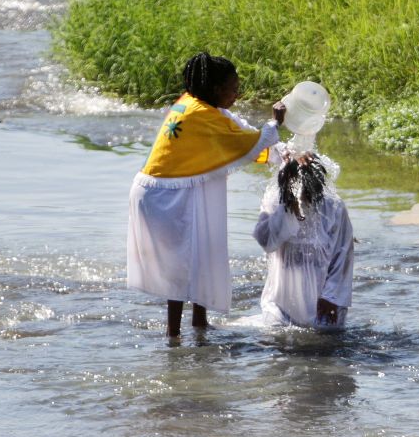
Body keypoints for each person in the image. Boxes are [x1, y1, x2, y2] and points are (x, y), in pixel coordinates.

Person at [127, 52, 286, 337]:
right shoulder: (198, 113)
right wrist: (274, 125)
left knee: (202, 251)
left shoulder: (195, 104)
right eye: (233, 88)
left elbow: (239, 133)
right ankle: (173, 336)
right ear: (215, 89)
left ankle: (199, 322)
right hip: (165, 195)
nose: (237, 94)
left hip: (171, 188)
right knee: (179, 265)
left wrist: (282, 153)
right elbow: (246, 141)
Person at [253, 153, 354, 329]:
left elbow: (343, 255)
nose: (305, 199)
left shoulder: (333, 207)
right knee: (276, 340)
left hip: (323, 303)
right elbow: (267, 242)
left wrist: (331, 297)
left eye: (310, 193)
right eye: (302, 193)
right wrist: (286, 206)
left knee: (327, 340)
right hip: (279, 304)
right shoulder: (275, 202)